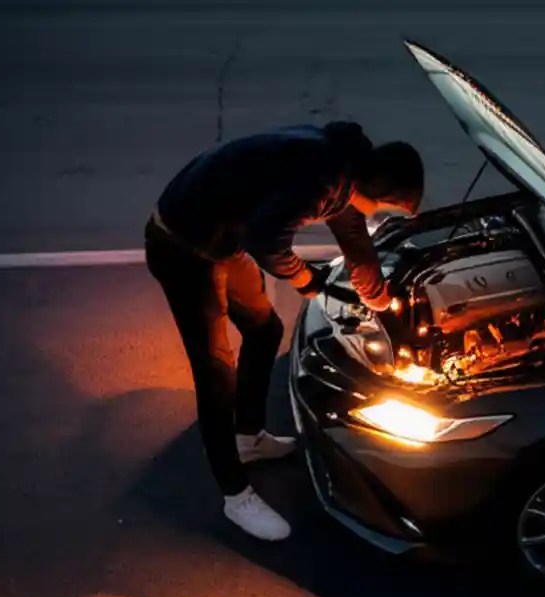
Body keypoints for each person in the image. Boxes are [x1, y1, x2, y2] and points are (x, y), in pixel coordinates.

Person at [144, 121, 424, 541]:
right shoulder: (322, 181)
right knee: (216, 372)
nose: (376, 215)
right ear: (375, 191)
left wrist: (380, 301)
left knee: (265, 329)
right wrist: (307, 281)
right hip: (183, 246)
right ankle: (235, 496)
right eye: (383, 209)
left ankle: (249, 437)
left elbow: (354, 240)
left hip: (223, 239)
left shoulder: (347, 169)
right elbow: (268, 241)